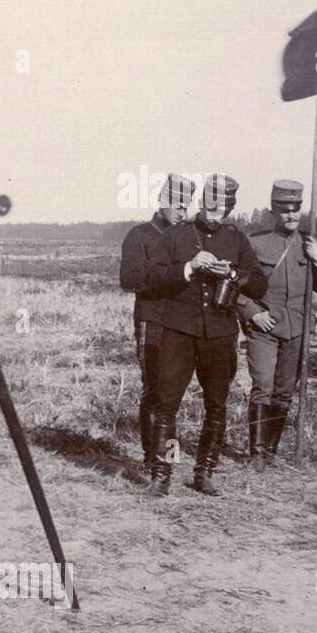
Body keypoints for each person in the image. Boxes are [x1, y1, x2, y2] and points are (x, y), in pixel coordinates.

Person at [146, 174, 267, 496]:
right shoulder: (176, 235)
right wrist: (189, 266)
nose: (217, 214)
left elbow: (258, 284)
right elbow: (153, 278)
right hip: (177, 331)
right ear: (202, 202)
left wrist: (233, 275)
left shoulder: (238, 239)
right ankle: (161, 476)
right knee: (167, 404)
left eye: (224, 208)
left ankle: (205, 474)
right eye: (212, 206)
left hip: (219, 335)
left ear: (230, 208)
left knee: (217, 405)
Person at [237, 179, 317, 468]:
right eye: (284, 210)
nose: (291, 215)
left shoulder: (312, 242)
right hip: (264, 327)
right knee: (263, 385)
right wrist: (252, 313)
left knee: (284, 390)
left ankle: (271, 451)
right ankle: (256, 454)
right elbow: (238, 288)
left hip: (297, 329)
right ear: (273, 212)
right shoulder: (256, 243)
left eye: (296, 210)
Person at [119, 174, 194, 476]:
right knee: (154, 391)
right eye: (177, 205)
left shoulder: (189, 236)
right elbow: (130, 280)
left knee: (173, 394)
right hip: (153, 321)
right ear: (161, 201)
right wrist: (178, 273)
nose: (182, 213)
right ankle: (153, 462)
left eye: (186, 207)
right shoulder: (140, 236)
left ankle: (167, 460)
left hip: (184, 324)